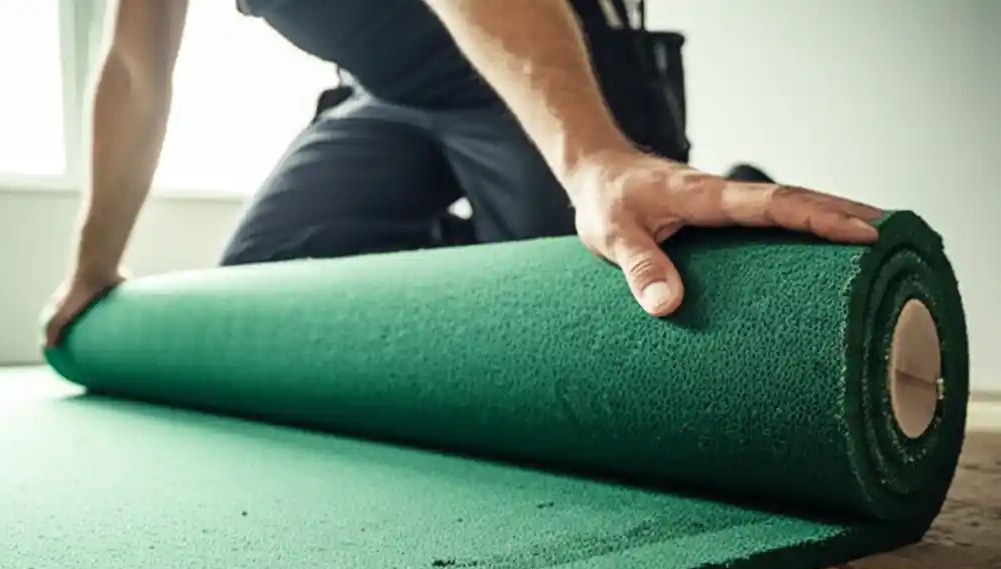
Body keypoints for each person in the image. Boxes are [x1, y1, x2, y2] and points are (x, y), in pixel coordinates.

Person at [43, 0, 881, 346]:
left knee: (594, 319)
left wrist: (589, 155)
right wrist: (92, 265)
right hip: (389, 95)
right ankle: (478, 243)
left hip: (541, 63)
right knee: (271, 297)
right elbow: (133, 73)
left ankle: (692, 195)